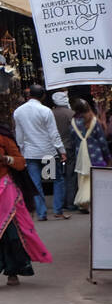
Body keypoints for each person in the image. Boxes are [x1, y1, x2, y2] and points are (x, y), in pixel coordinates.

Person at [0, 118, 53, 286]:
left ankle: (13, 271)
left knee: (11, 234)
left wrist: (6, 159)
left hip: (6, 190)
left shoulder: (3, 137)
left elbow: (21, 162)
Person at [12, 84, 69, 221]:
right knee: (57, 179)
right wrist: (61, 150)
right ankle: (57, 210)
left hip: (30, 153)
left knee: (35, 183)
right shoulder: (45, 111)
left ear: (28, 95)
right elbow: (53, 133)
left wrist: (21, 150)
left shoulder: (18, 112)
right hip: (47, 152)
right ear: (43, 96)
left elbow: (19, 135)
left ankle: (42, 213)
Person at [67, 98, 110, 211]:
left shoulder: (73, 123)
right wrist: (107, 156)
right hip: (96, 155)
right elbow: (102, 140)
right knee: (95, 180)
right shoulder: (94, 121)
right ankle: (93, 202)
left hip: (80, 156)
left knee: (82, 179)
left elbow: (72, 141)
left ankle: (84, 203)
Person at [48, 90, 75, 214]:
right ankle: (69, 202)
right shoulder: (71, 114)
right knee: (70, 174)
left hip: (52, 148)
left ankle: (58, 203)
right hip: (69, 146)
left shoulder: (49, 113)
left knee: (55, 176)